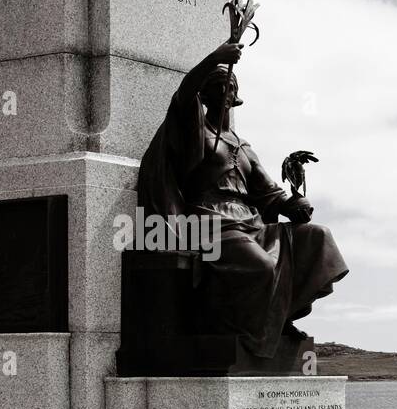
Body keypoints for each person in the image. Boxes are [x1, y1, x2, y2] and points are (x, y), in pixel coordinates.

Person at [137, 41, 348, 357]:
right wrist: (214, 59)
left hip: (251, 221)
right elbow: (182, 97)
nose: (225, 93)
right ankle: (249, 336)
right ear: (205, 96)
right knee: (261, 265)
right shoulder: (195, 132)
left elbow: (269, 193)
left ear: (235, 98)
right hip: (209, 221)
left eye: (229, 88)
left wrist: (293, 205)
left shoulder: (244, 146)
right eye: (218, 87)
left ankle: (280, 317)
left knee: (319, 238)